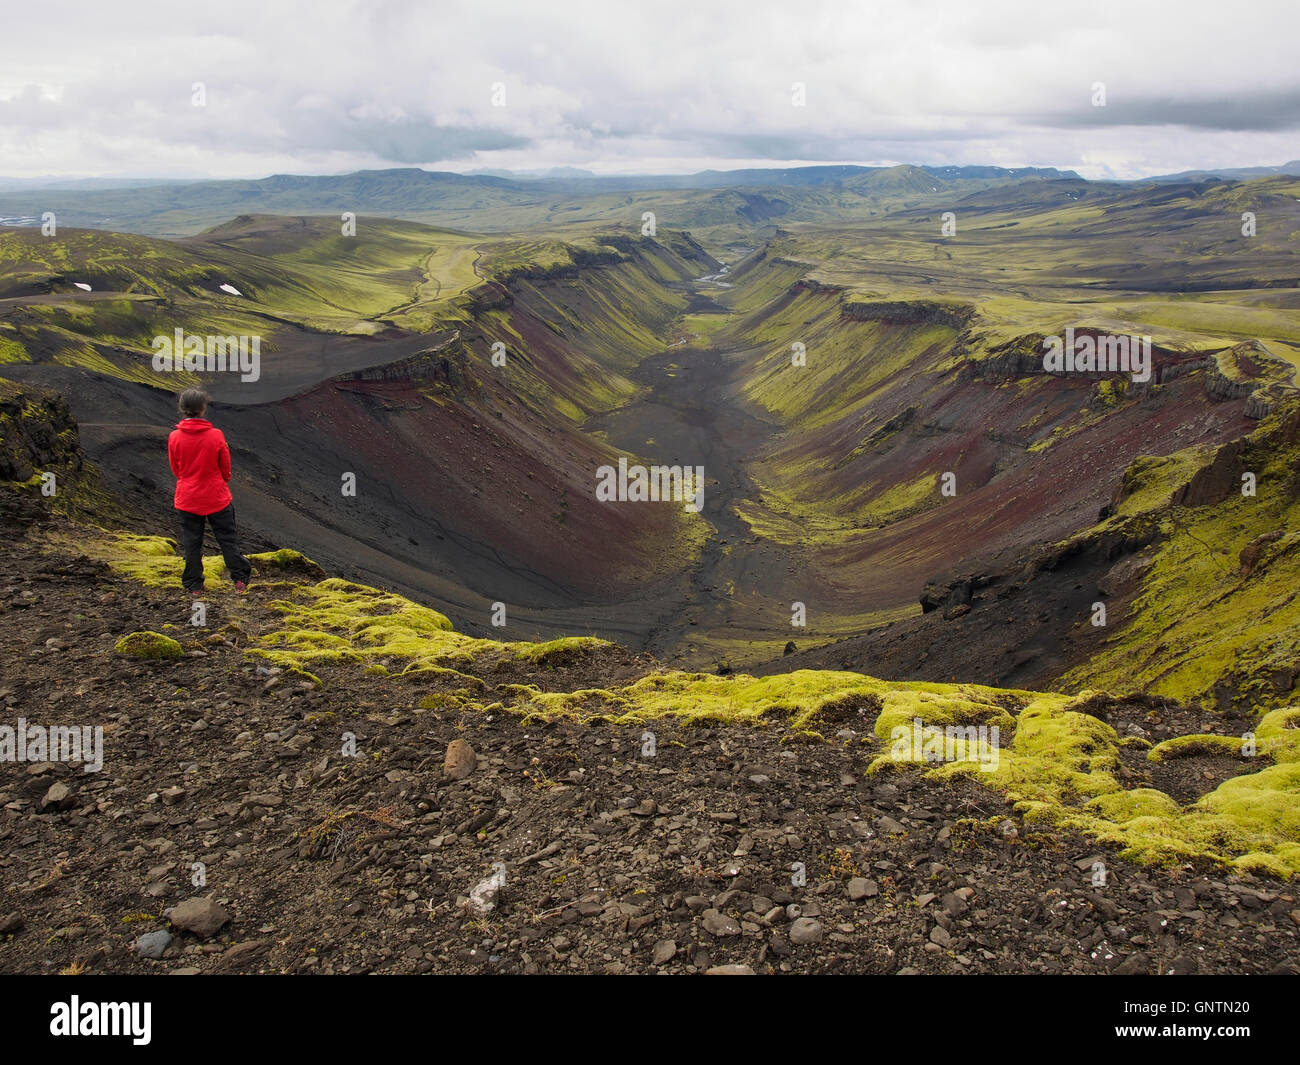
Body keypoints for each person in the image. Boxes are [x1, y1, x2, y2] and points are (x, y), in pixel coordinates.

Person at [168, 389, 252, 595]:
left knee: (192, 541)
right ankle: (240, 580)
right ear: (203, 408)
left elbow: (175, 468)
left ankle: (194, 584)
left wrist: (189, 479)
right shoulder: (216, 435)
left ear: (182, 408)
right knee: (227, 538)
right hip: (216, 496)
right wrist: (219, 480)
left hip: (187, 497)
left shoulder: (174, 437)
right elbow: (225, 468)